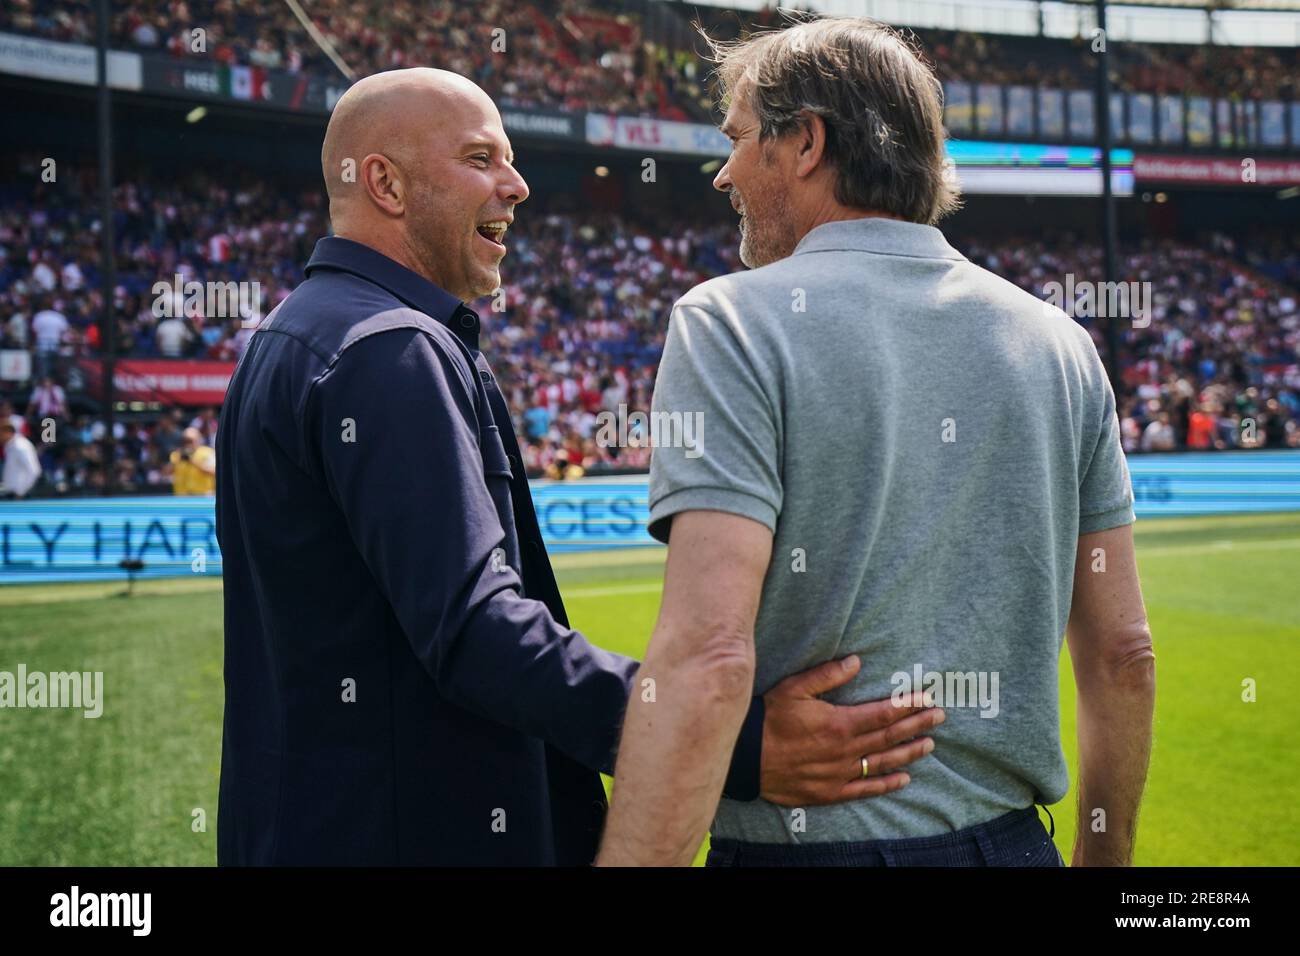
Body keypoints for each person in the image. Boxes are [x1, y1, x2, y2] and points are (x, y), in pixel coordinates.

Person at [215, 67, 941, 866]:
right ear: (384, 182)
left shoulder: (291, 337)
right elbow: (477, 632)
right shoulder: (392, 348)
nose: (517, 185)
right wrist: (729, 742)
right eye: (480, 158)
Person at [598, 17, 1154, 867]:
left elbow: (709, 657)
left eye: (741, 140)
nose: (724, 173)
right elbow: (1124, 654)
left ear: (807, 142)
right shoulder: (1061, 342)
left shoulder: (729, 320)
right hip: (1013, 848)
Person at [0, 420, 42, 498]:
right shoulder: (9, 446)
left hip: (20, 496)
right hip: (11, 494)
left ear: (8, 432)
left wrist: (21, 492)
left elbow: (34, 470)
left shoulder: (20, 446)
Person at [170, 427, 216, 496]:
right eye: (185, 441)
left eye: (190, 441)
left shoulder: (208, 452)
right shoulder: (176, 454)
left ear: (198, 440)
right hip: (182, 497)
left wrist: (192, 461)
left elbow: (213, 472)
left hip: (203, 496)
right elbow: (167, 472)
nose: (187, 444)